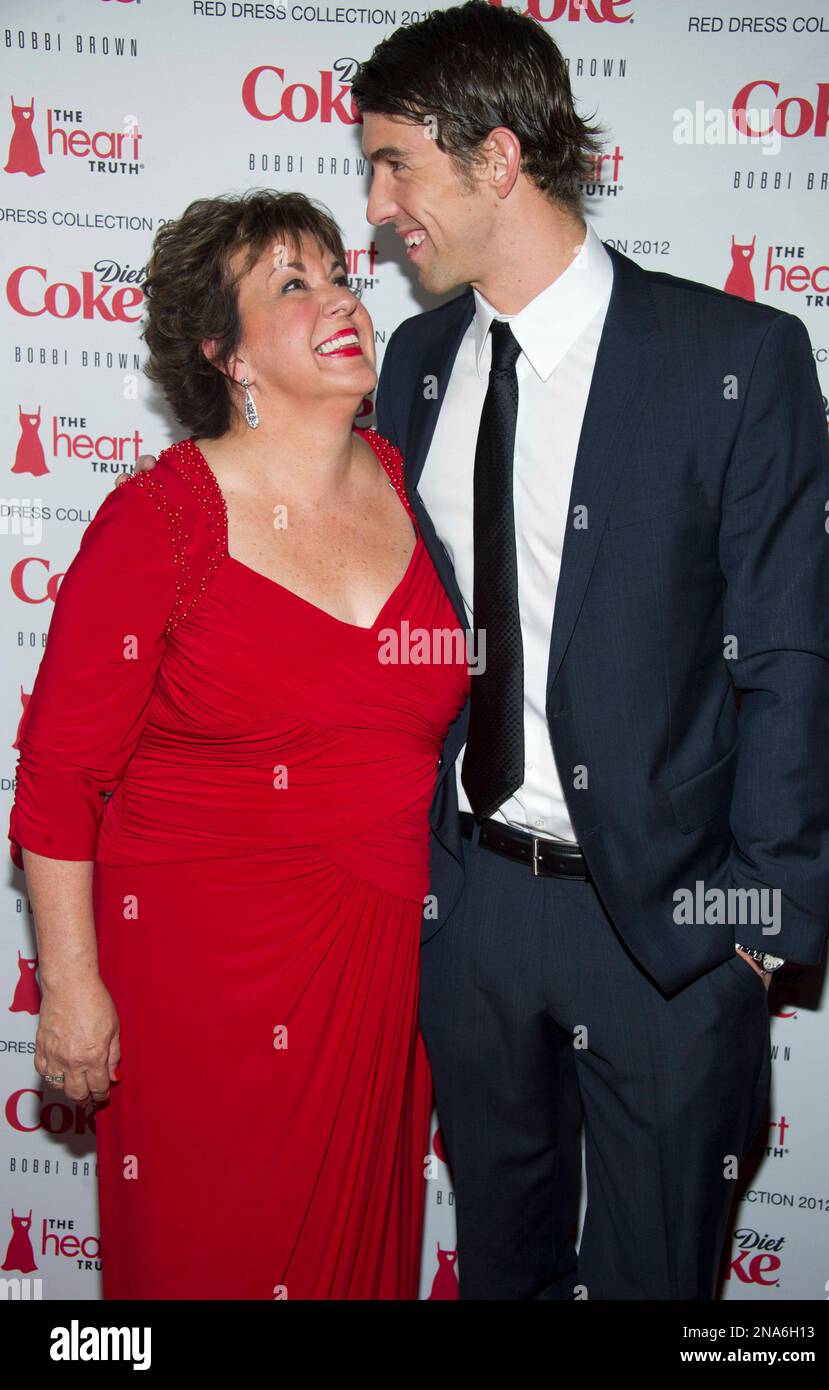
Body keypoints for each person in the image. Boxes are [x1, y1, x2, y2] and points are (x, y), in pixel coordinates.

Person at [129, 4, 829, 1301]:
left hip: (668, 935)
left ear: (498, 159)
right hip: (469, 916)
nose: (379, 202)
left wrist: (754, 927)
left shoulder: (733, 359)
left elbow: (791, 662)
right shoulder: (409, 363)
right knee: (499, 1274)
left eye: (397, 161)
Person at [9, 189, 469, 1300]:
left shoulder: (414, 488)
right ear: (226, 354)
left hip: (376, 972)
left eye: (339, 275)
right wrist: (72, 986)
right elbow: (59, 777)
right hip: (202, 977)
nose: (341, 301)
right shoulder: (161, 519)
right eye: (291, 284)